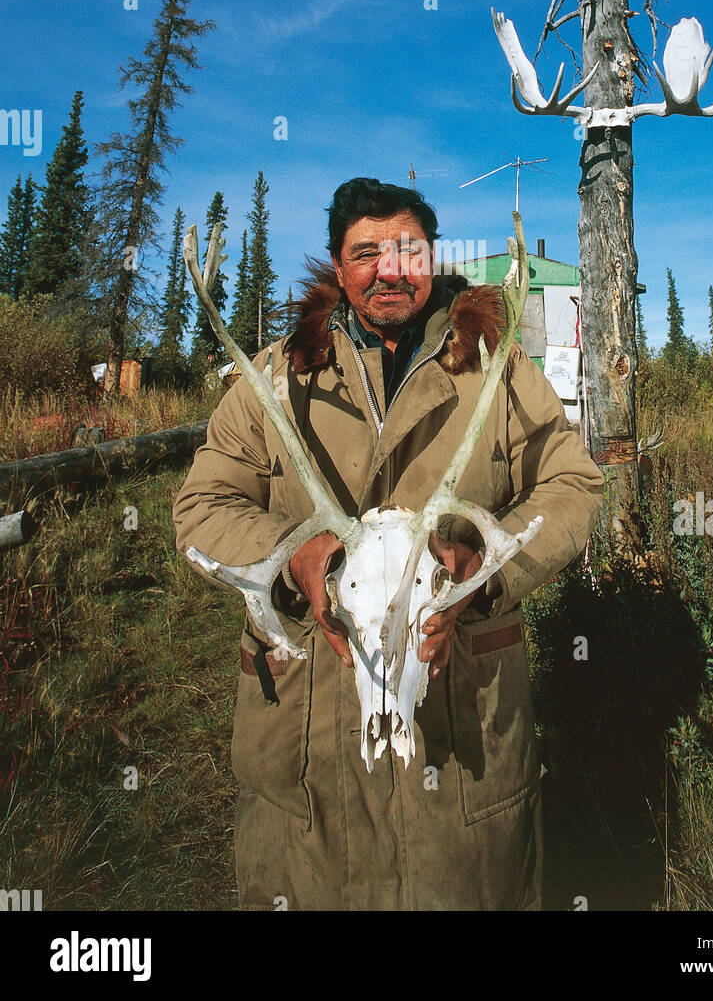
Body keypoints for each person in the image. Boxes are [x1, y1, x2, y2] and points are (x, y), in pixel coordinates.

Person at [173, 177, 604, 911]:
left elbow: (571, 486)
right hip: (307, 714)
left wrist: (484, 575)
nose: (388, 268)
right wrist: (290, 558)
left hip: (458, 695)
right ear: (339, 270)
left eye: (407, 249)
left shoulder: (497, 370)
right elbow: (205, 504)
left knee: (464, 884)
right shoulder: (274, 377)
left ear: (431, 260)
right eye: (365, 252)